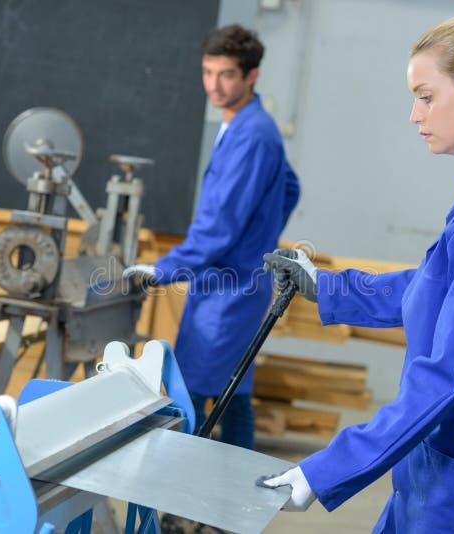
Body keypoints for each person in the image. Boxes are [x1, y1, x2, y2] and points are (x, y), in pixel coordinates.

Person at [259, 14, 454, 533]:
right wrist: (330, 286)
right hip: (440, 468)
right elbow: (436, 287)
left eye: (425, 96)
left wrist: (326, 471)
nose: (414, 114)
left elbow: (444, 375)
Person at [123, 24, 300, 450]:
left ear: (251, 76)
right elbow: (290, 187)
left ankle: (186, 503)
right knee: (233, 390)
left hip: (229, 287)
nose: (214, 85)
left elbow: (218, 224)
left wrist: (164, 268)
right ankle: (231, 505)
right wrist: (261, 235)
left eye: (226, 75)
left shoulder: (251, 135)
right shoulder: (245, 124)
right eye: (208, 72)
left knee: (195, 393)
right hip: (234, 279)